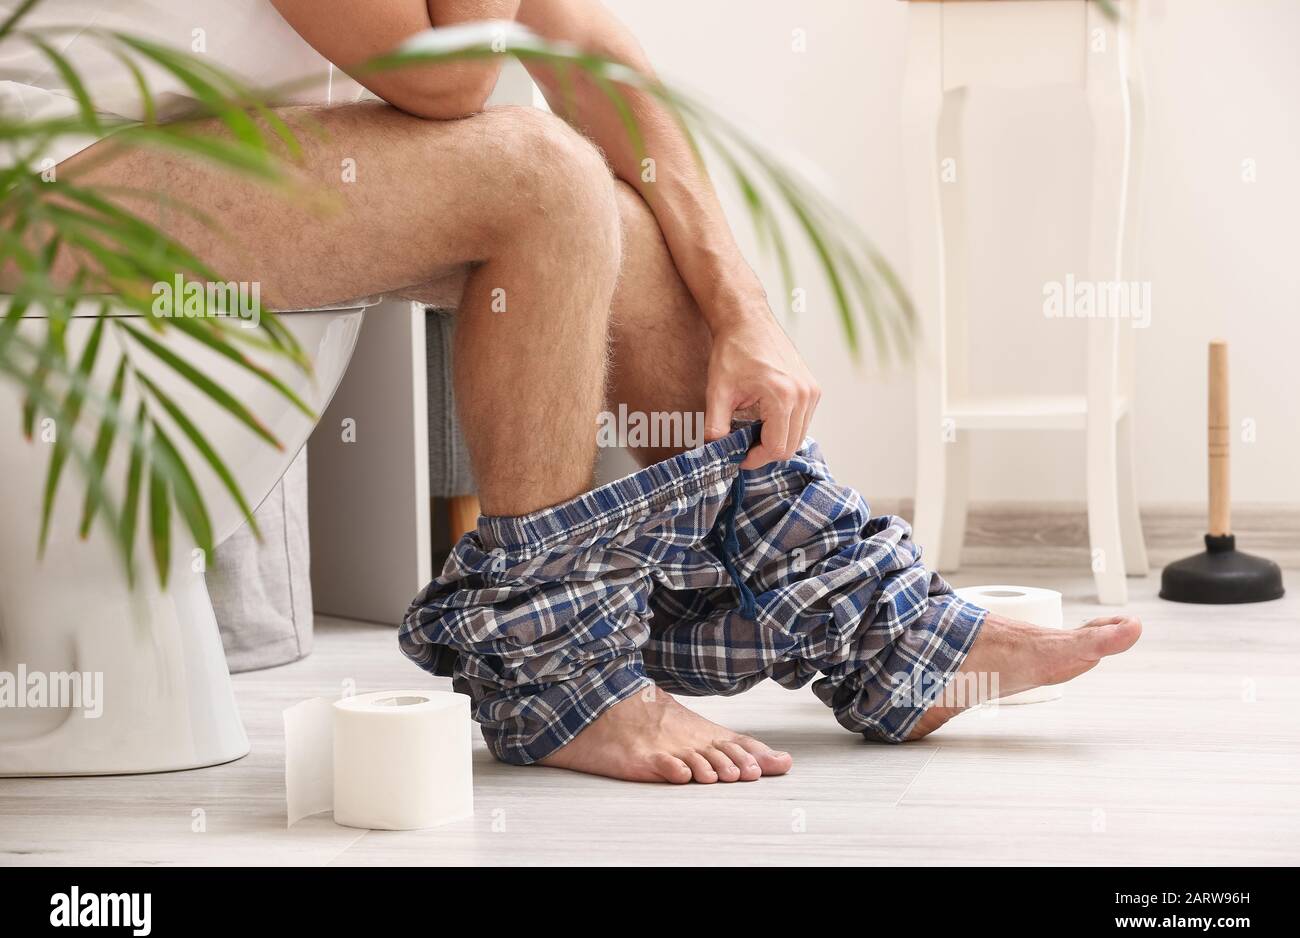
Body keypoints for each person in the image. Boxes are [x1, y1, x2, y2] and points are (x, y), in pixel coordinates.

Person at [9, 0, 1141, 784]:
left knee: (626, 220)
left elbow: (581, 44)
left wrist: (740, 302)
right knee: (538, 176)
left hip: (172, 167)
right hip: (45, 191)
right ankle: (555, 677)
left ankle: (867, 628)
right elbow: (447, 76)